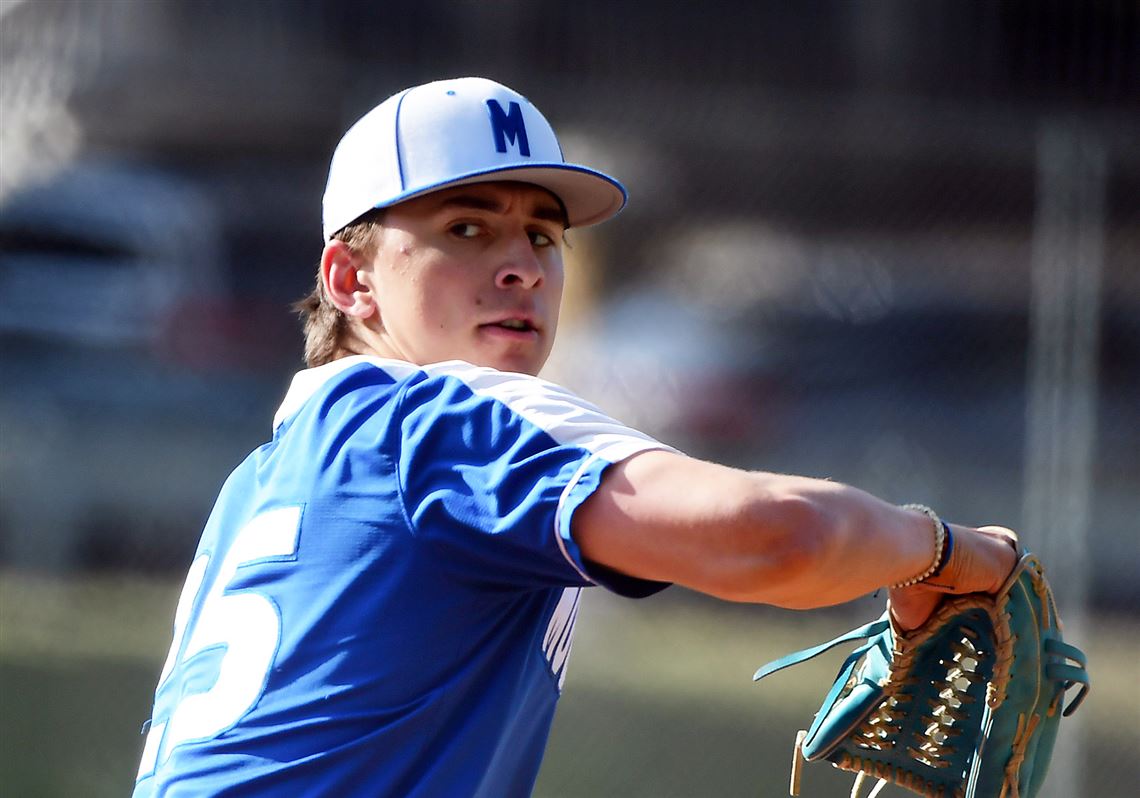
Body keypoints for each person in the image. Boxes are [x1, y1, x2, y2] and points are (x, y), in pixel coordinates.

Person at [132, 77, 1017, 797]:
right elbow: (780, 536)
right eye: (466, 228)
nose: (520, 264)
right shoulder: (443, 418)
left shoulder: (263, 479)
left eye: (542, 234)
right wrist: (948, 551)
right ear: (351, 277)